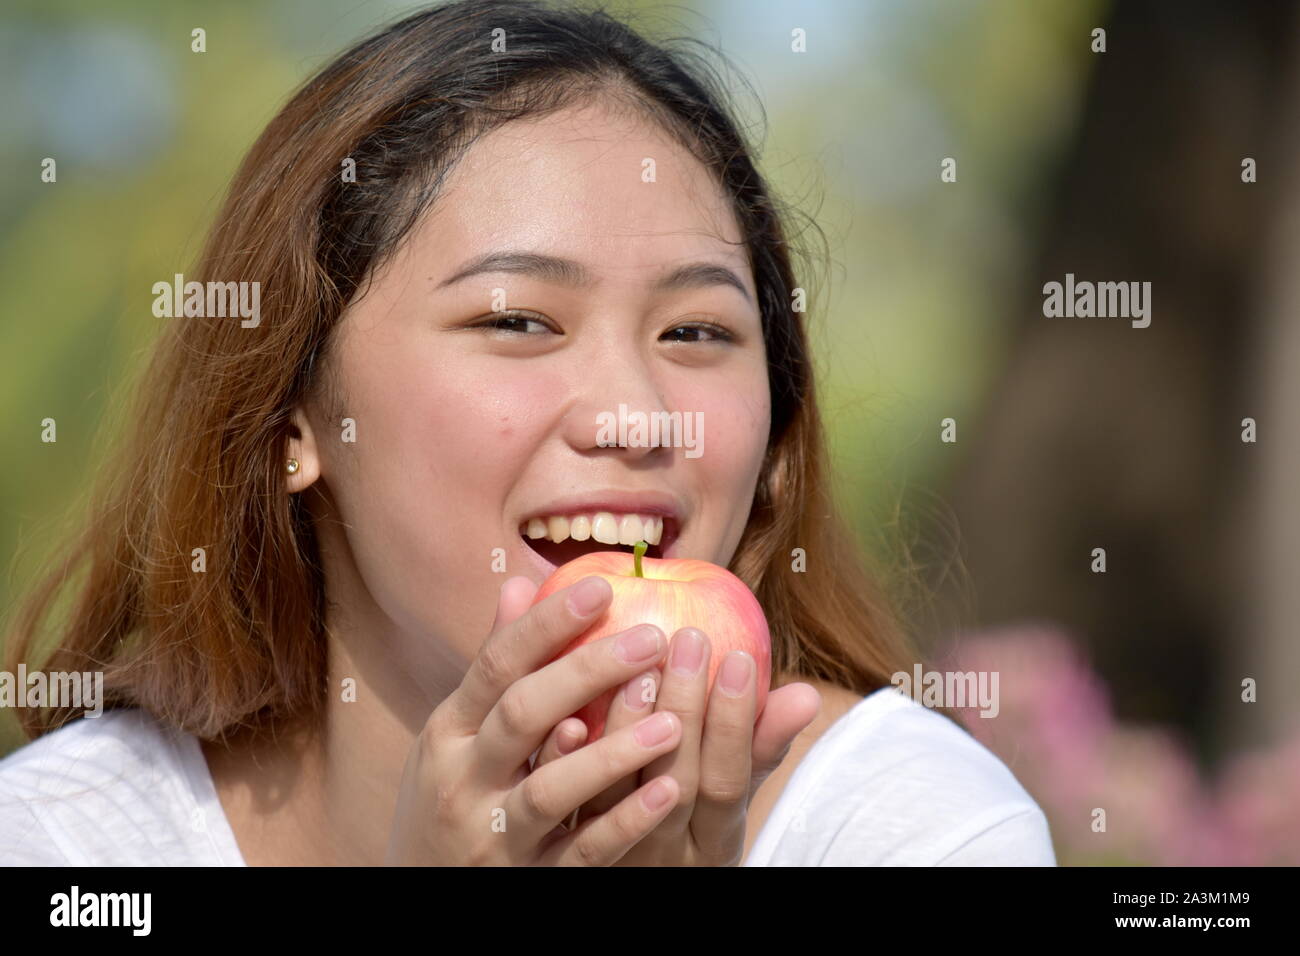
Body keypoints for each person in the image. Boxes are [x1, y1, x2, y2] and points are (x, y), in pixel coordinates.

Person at [0, 0, 1055, 866]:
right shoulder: (66, 842)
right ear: (290, 418)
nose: (635, 414)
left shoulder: (912, 826)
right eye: (516, 320)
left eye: (696, 330)